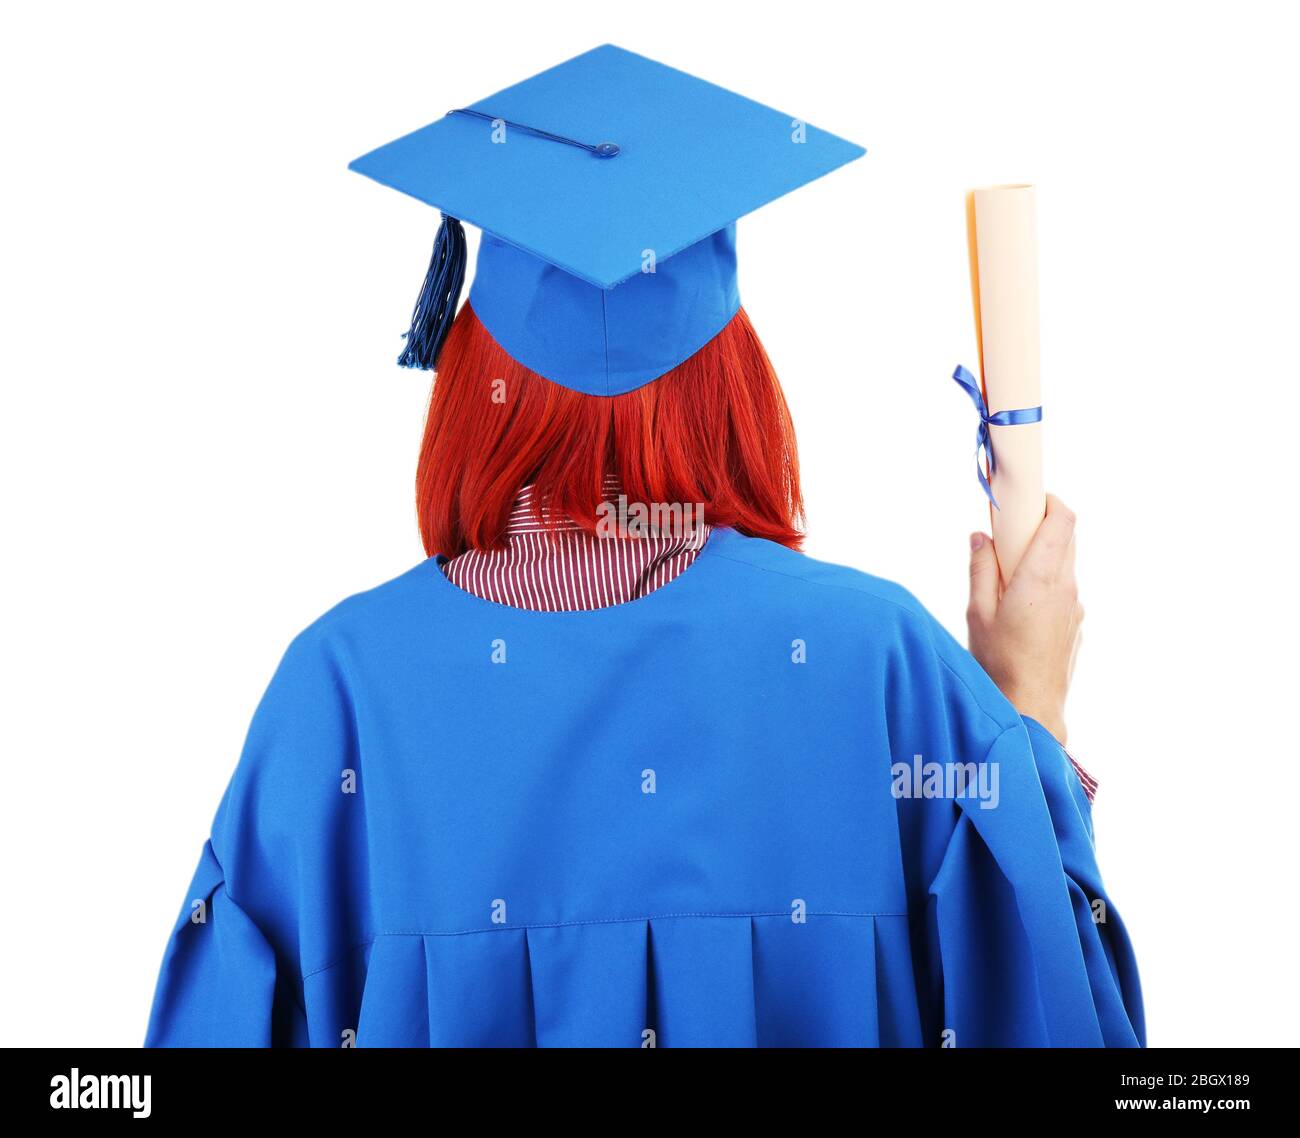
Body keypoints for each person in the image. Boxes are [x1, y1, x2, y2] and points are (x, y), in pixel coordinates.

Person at [146, 45, 1142, 1048]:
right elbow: (1051, 1013)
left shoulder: (342, 694)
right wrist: (1027, 717)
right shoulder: (880, 666)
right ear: (734, 381)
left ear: (468, 373)